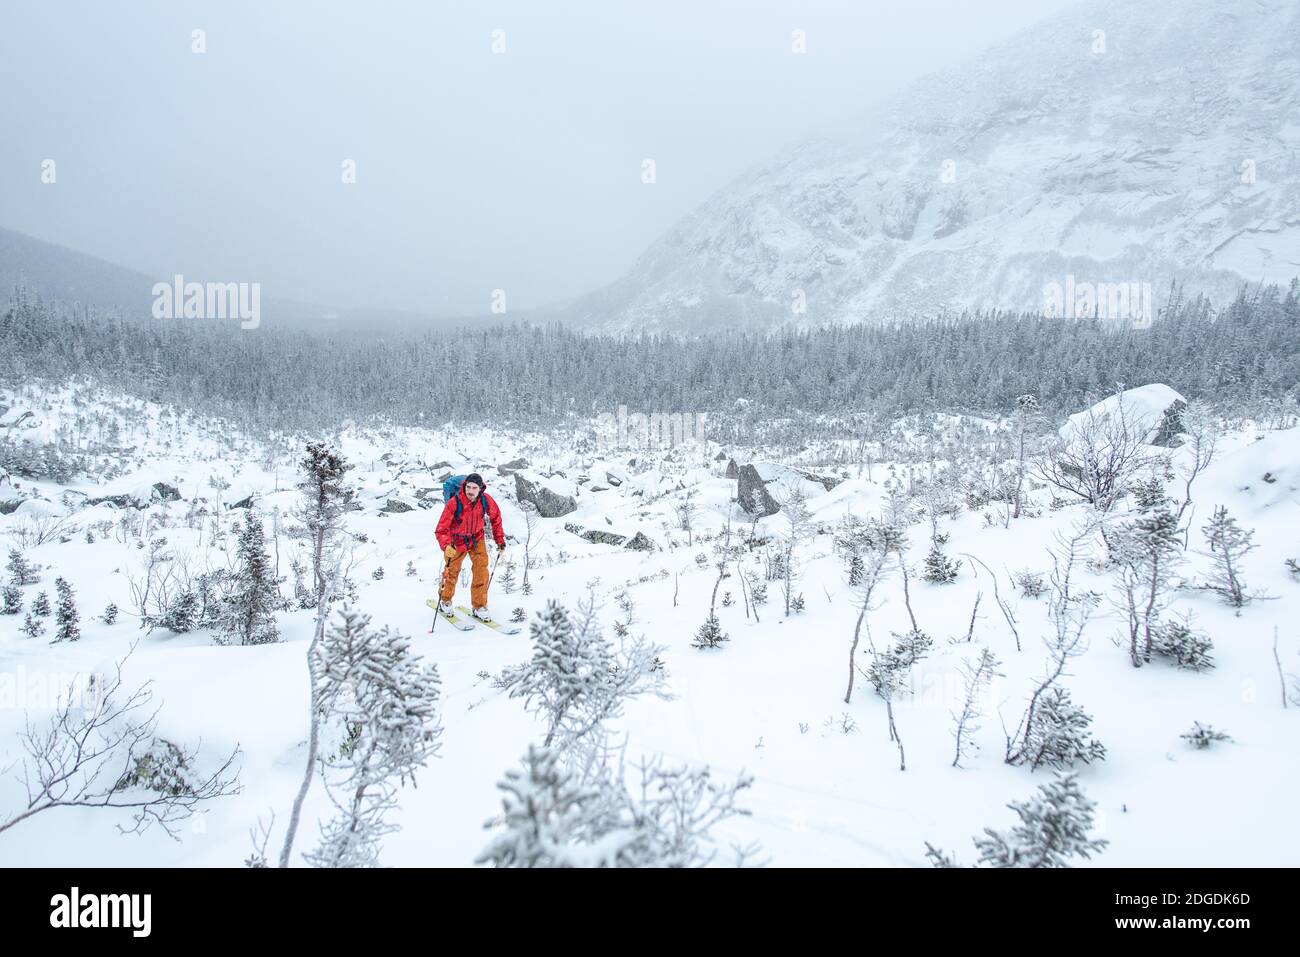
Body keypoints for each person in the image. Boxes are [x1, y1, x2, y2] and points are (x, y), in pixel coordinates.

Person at [434, 473, 506, 620]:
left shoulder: (486, 501)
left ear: (480, 489)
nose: (471, 491)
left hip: (476, 539)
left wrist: (500, 540)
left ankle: (479, 606)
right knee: (451, 572)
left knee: (481, 570)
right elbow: (441, 529)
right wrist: (446, 545)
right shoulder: (454, 503)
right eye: (468, 487)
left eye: (474, 488)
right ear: (464, 486)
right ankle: (445, 600)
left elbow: (496, 518)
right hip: (456, 541)